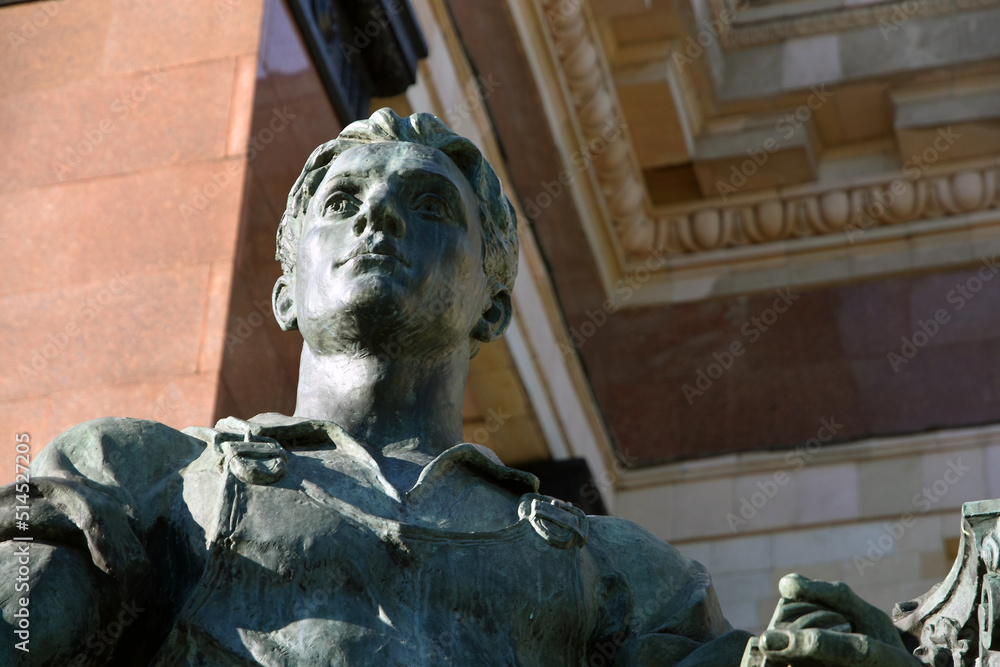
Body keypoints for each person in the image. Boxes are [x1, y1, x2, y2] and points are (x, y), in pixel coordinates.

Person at [0, 109, 919, 666]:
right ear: (285, 289)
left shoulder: (619, 568)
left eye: (431, 205)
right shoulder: (140, 471)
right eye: (343, 201)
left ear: (494, 304)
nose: (379, 214)